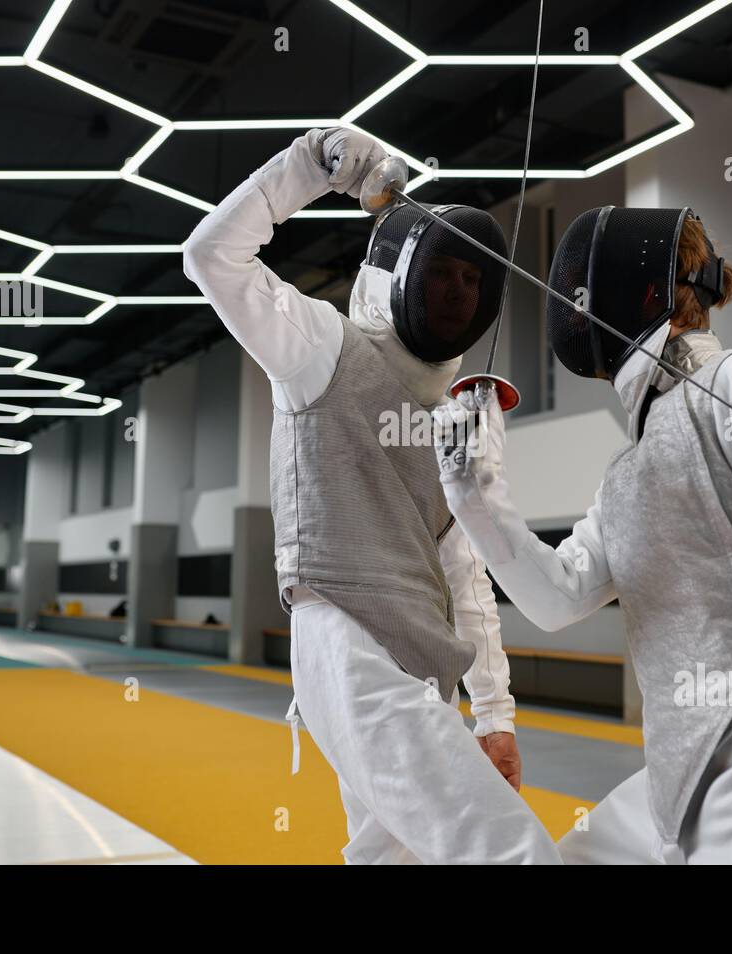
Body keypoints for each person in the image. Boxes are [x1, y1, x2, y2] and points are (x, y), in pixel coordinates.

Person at [434, 206, 732, 864]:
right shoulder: (629, 468)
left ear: (635, 286)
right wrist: (472, 490)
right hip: (671, 781)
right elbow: (556, 598)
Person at [181, 127, 560, 864]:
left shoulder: (451, 414)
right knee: (504, 849)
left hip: (427, 663)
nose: (457, 289)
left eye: (472, 280)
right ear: (398, 275)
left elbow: (465, 577)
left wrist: (493, 713)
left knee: (398, 857)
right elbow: (211, 258)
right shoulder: (323, 350)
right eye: (444, 271)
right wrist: (309, 168)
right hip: (347, 642)